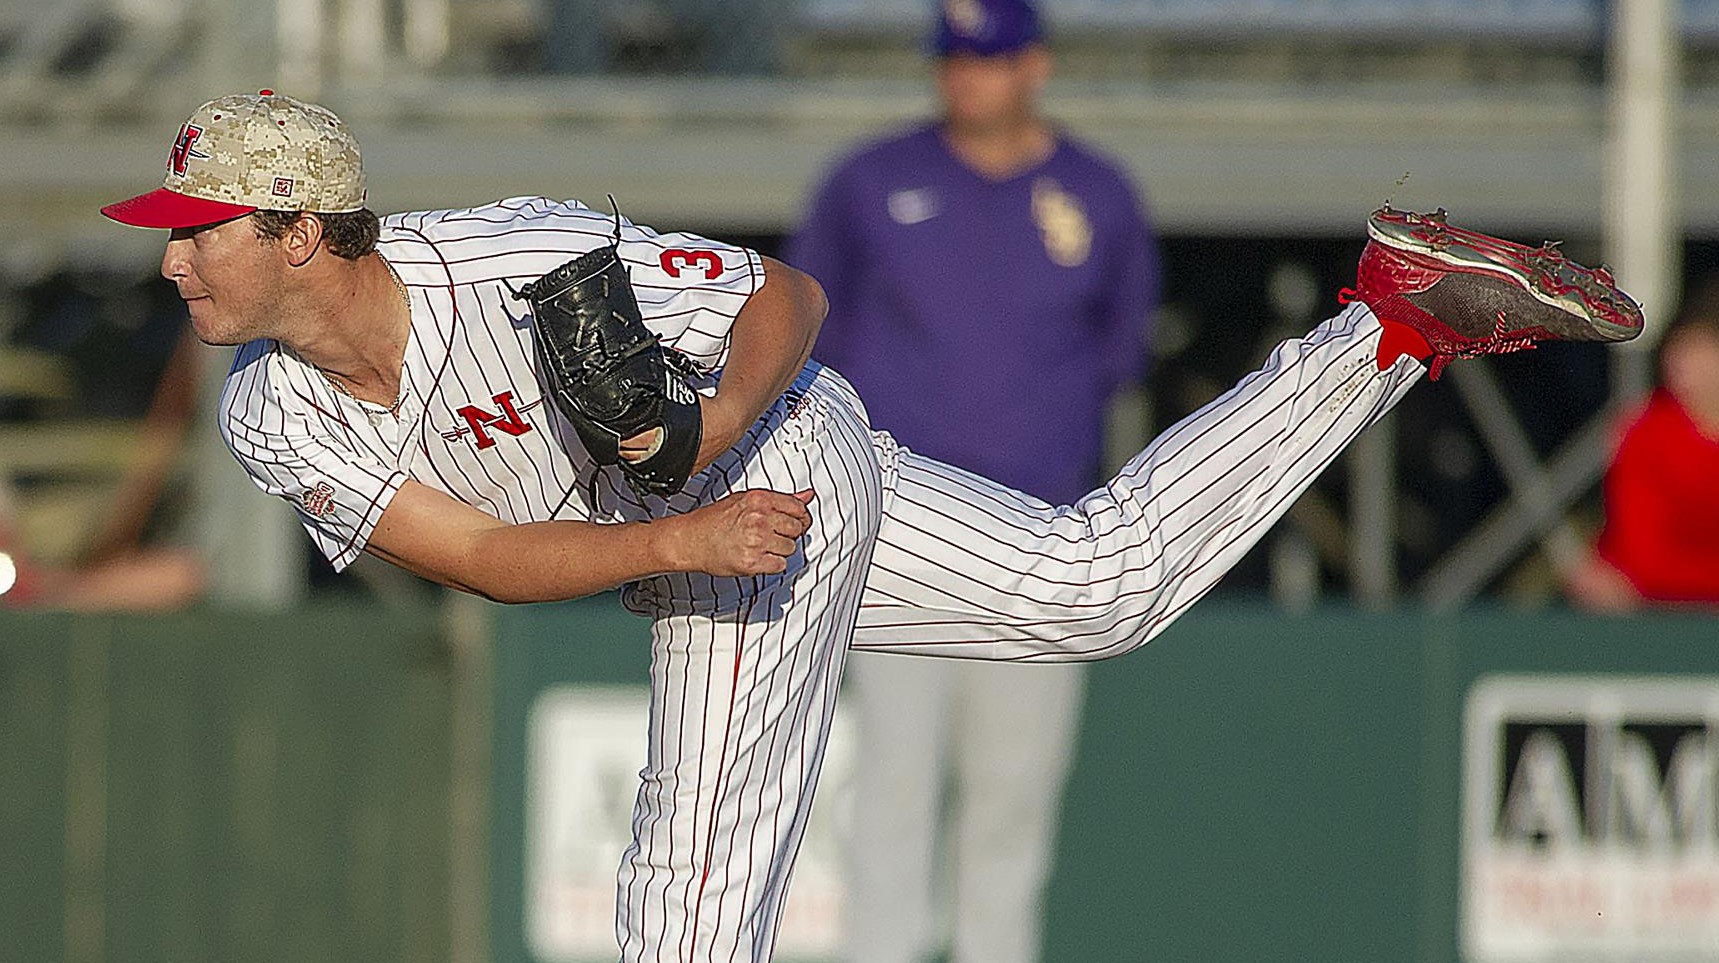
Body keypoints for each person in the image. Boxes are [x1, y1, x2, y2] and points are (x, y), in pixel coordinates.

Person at [101, 90, 1641, 963]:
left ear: (300, 230)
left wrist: (697, 444)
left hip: (768, 449)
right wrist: (665, 533)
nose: (174, 264)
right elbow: (490, 560)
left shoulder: (516, 261)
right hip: (675, 527)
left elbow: (793, 298)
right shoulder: (270, 408)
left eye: (196, 233)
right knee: (1098, 585)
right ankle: (1387, 324)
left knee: (691, 882)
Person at [783, 2, 1156, 960]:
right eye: (952, 59)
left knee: (1013, 798)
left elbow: (1119, 347)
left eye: (985, 61)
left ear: (1032, 65)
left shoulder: (1096, 193)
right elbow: (799, 332)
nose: (965, 78)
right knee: (891, 790)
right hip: (895, 534)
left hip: (1036, 537)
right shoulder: (871, 182)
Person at [1567, 277, 1719, 611]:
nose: (1682, 368)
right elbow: (1643, 563)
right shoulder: (1646, 433)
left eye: (1701, 351)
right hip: (1644, 620)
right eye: (1678, 350)